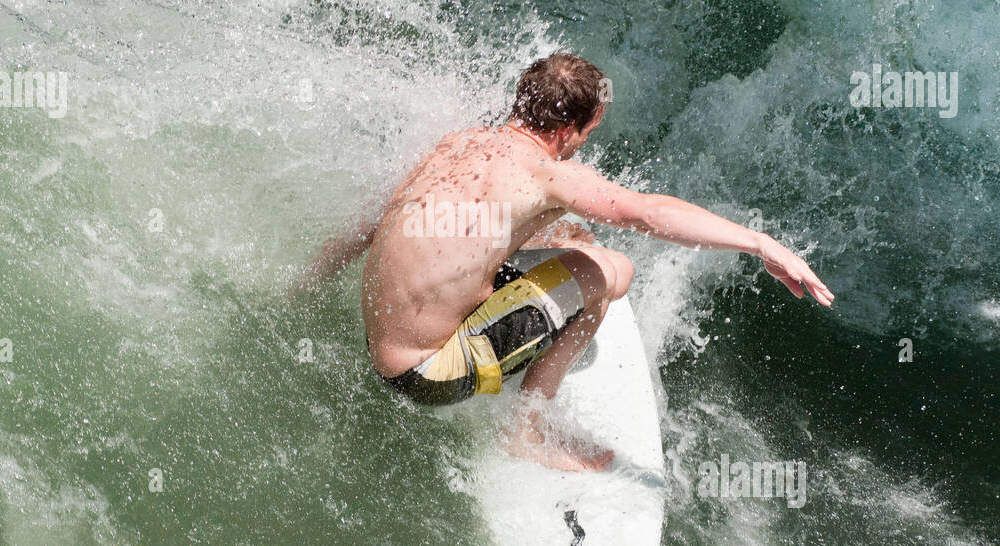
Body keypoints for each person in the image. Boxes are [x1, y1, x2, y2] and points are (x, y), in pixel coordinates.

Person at [299, 53, 834, 470]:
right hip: (424, 373)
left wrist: (307, 282)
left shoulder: (458, 143)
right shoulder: (544, 174)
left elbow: (375, 221)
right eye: (588, 131)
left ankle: (500, 325)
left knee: (568, 230)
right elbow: (647, 213)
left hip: (380, 339)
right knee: (610, 270)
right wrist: (761, 242)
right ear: (569, 129)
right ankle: (525, 430)